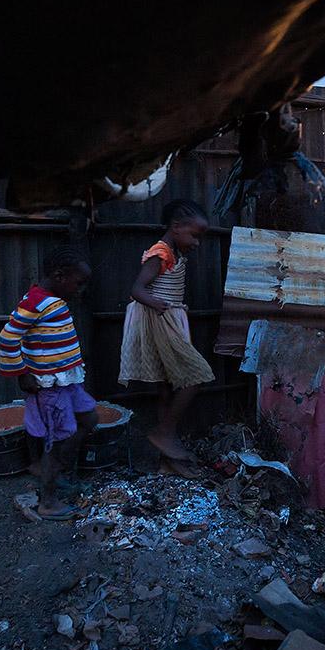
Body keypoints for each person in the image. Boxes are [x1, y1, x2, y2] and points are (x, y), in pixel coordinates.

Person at [0, 245, 98, 520]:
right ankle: (49, 500)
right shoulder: (36, 302)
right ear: (59, 275)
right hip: (50, 386)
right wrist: (21, 373)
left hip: (66, 381)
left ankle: (55, 471)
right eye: (78, 284)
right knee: (58, 440)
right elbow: (8, 338)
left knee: (88, 419)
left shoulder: (51, 300)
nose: (80, 290)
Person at [119, 198, 215, 478]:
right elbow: (137, 289)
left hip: (168, 319)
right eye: (194, 236)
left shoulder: (172, 253)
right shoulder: (160, 253)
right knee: (197, 376)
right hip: (160, 320)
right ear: (176, 228)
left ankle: (166, 461)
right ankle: (164, 433)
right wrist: (157, 303)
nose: (197, 243)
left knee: (165, 387)